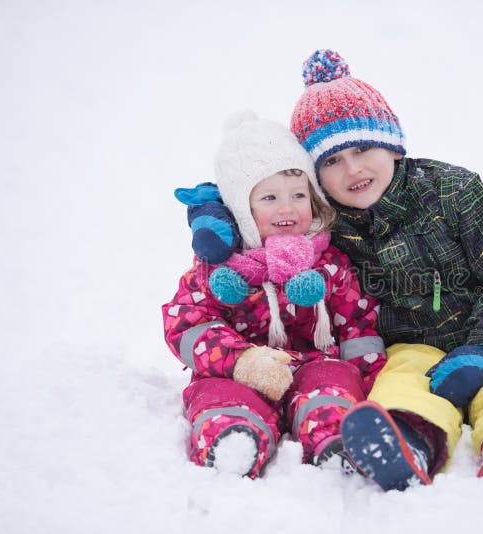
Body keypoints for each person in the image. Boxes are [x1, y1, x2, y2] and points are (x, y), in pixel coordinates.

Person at [285, 49, 483, 490]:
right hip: (414, 347)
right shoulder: (329, 227)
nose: (353, 169)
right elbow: (266, 219)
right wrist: (219, 210)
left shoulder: (450, 191)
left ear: (393, 145)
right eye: (331, 161)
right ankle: (408, 439)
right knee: (400, 385)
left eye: (363, 148)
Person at [161, 110, 386, 478]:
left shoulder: (327, 262)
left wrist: (372, 380)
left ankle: (335, 437)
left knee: (333, 383)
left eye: (298, 194)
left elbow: (358, 325)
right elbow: (186, 323)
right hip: (240, 370)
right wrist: (239, 361)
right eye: (268, 197)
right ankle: (235, 437)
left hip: (316, 364)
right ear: (241, 209)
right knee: (218, 393)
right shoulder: (217, 269)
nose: (287, 208)